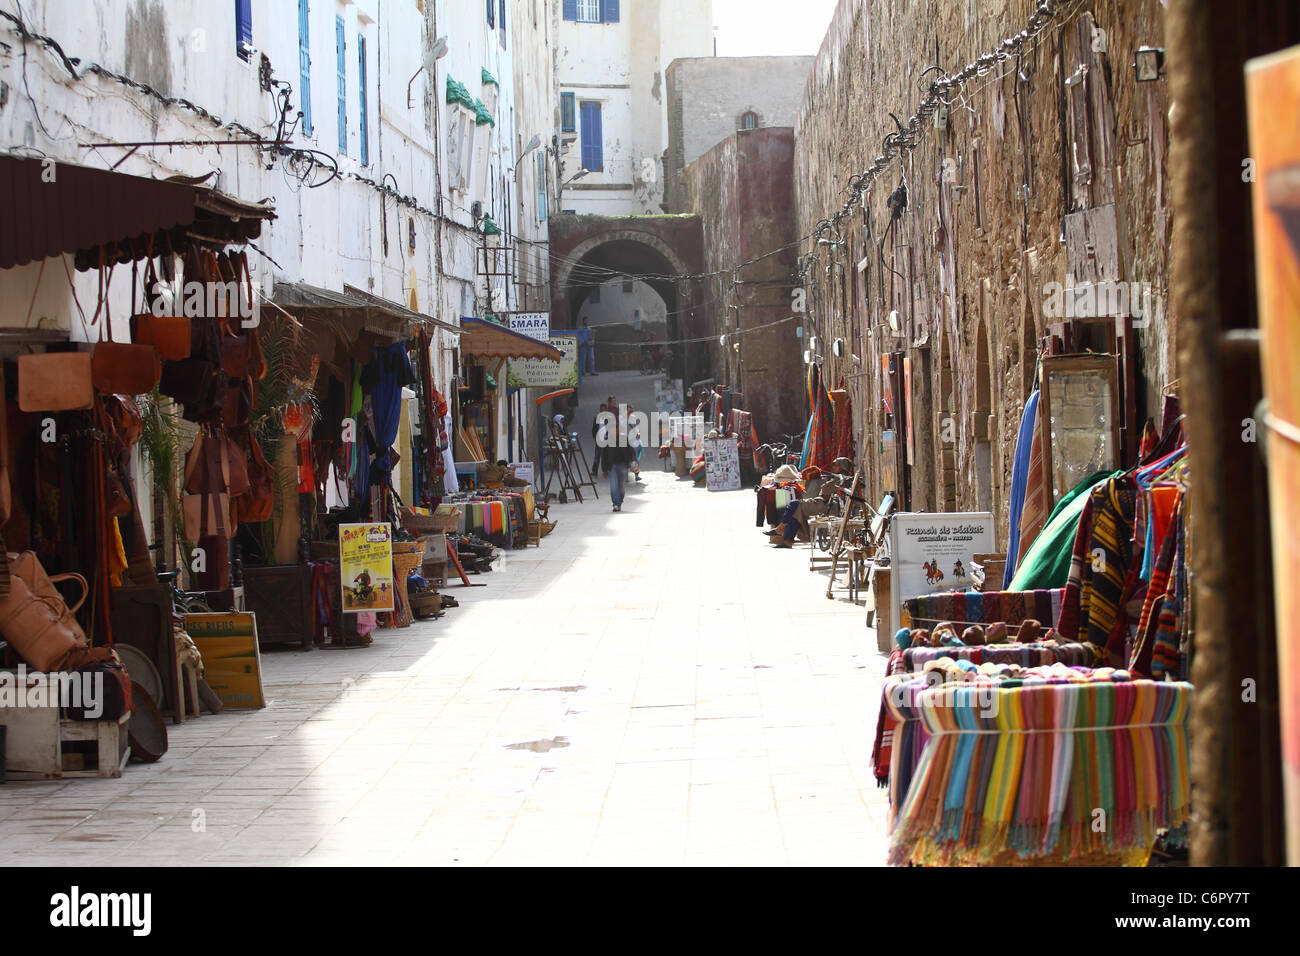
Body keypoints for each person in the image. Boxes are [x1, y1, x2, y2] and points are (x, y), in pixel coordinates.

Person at [600, 420, 634, 512]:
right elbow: (603, 456)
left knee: (621, 487)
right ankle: (615, 504)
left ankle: (619, 501)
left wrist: (632, 462)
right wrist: (604, 469)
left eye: (615, 428)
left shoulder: (623, 438)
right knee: (614, 485)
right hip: (612, 466)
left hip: (622, 465)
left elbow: (630, 451)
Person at [590, 403, 607, 474]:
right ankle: (594, 471)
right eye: (601, 409)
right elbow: (594, 429)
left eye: (604, 409)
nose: (602, 411)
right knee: (597, 456)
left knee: (606, 456)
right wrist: (595, 437)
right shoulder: (597, 418)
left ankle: (605, 470)